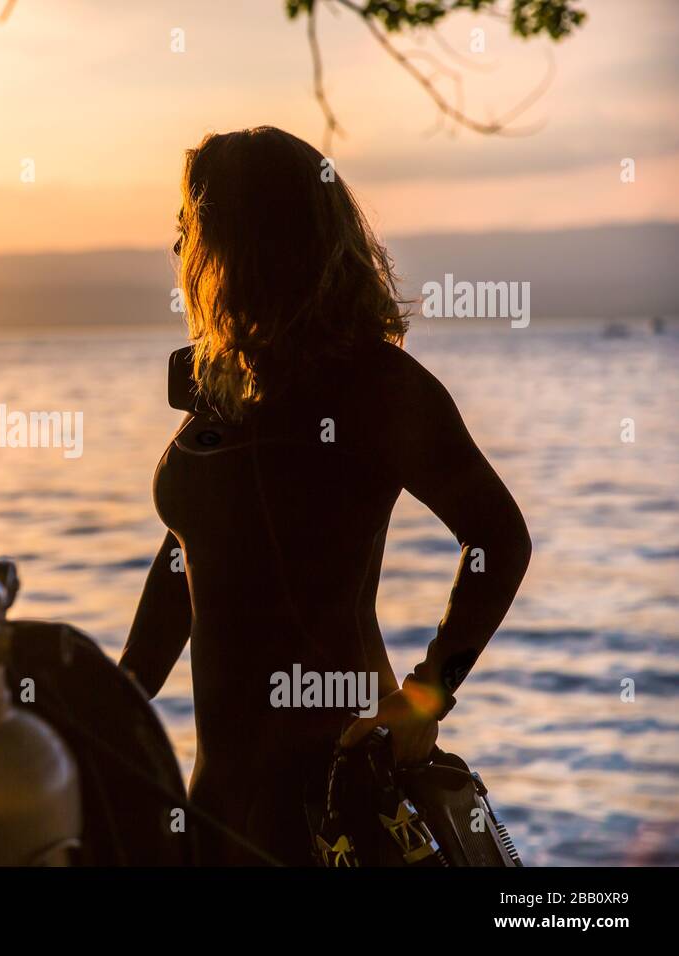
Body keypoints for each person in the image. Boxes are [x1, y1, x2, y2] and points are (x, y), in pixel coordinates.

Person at [119, 127, 532, 865]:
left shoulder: (378, 387)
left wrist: (428, 693)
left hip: (337, 798)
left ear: (242, 242)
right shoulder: (226, 384)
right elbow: (190, 552)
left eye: (189, 229)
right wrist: (121, 696)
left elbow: (498, 539)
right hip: (218, 799)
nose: (178, 251)